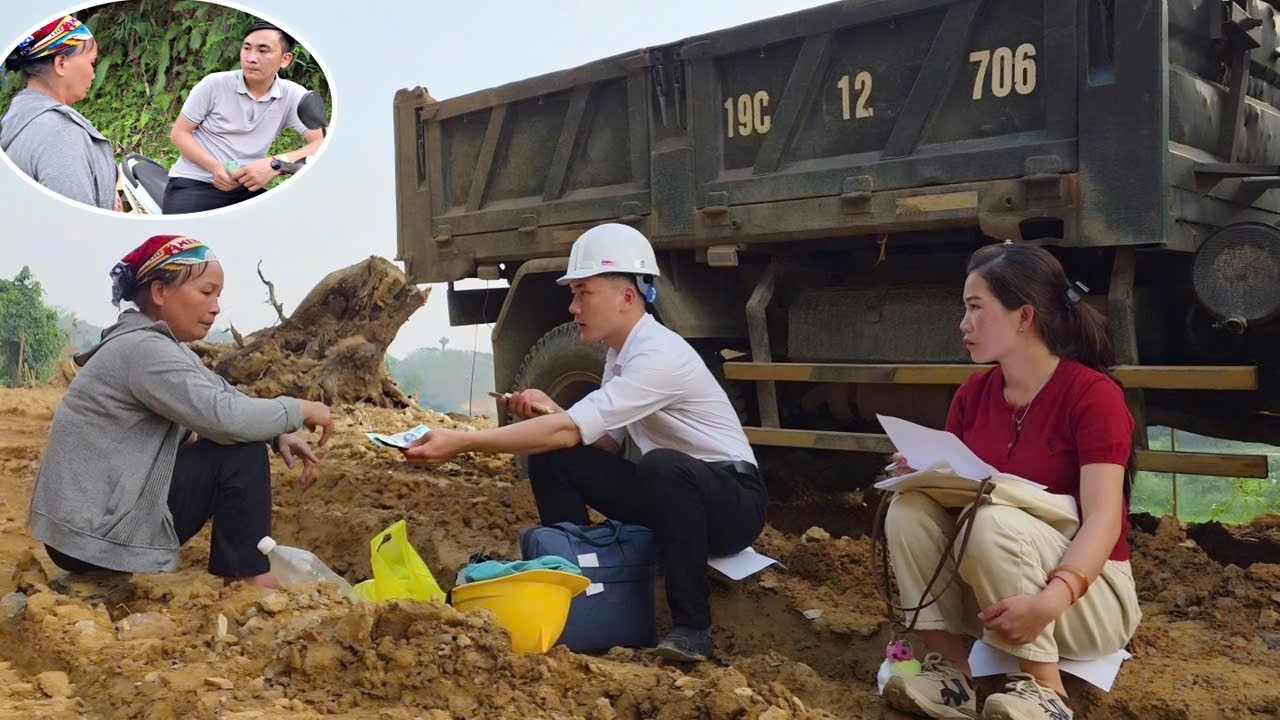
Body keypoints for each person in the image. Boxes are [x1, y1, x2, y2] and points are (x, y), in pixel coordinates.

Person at [402, 223, 768, 662]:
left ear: (627, 297)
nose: (573, 307)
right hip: (674, 496)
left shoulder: (659, 355)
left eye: (583, 293)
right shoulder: (620, 354)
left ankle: (692, 629)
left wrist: (462, 442)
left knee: (662, 466)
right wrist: (554, 413)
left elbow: (581, 431)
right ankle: (582, 594)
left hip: (732, 504)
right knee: (555, 458)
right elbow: (606, 444)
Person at [881, 242, 1142, 720]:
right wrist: (921, 473)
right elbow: (951, 493)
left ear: (1024, 318)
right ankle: (950, 675)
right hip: (994, 597)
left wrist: (1050, 600)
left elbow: (1105, 520)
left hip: (1086, 600)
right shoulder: (974, 395)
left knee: (993, 518)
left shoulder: (1094, 397)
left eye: (975, 308)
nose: (964, 324)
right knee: (909, 508)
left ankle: (1045, 690)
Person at [28, 235, 334, 588]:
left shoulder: (155, 343)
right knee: (239, 449)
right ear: (160, 292)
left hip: (81, 532)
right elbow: (226, 417)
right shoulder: (145, 350)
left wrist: (278, 432)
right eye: (207, 292)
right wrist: (301, 408)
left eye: (218, 295)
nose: (216, 306)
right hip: (89, 538)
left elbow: (222, 393)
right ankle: (249, 574)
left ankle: (243, 569)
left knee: (232, 438)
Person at [162, 21, 323, 214]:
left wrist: (276, 164)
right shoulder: (214, 85)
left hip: (247, 188)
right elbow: (180, 134)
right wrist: (215, 167)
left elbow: (322, 142)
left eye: (263, 51)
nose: (251, 58)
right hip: (194, 183)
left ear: (285, 59)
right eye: (247, 48)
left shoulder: (293, 95)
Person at [0, 15, 119, 211]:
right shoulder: (58, 134)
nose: (93, 74)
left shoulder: (16, 118)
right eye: (91, 62)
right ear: (61, 64)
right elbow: (79, 226)